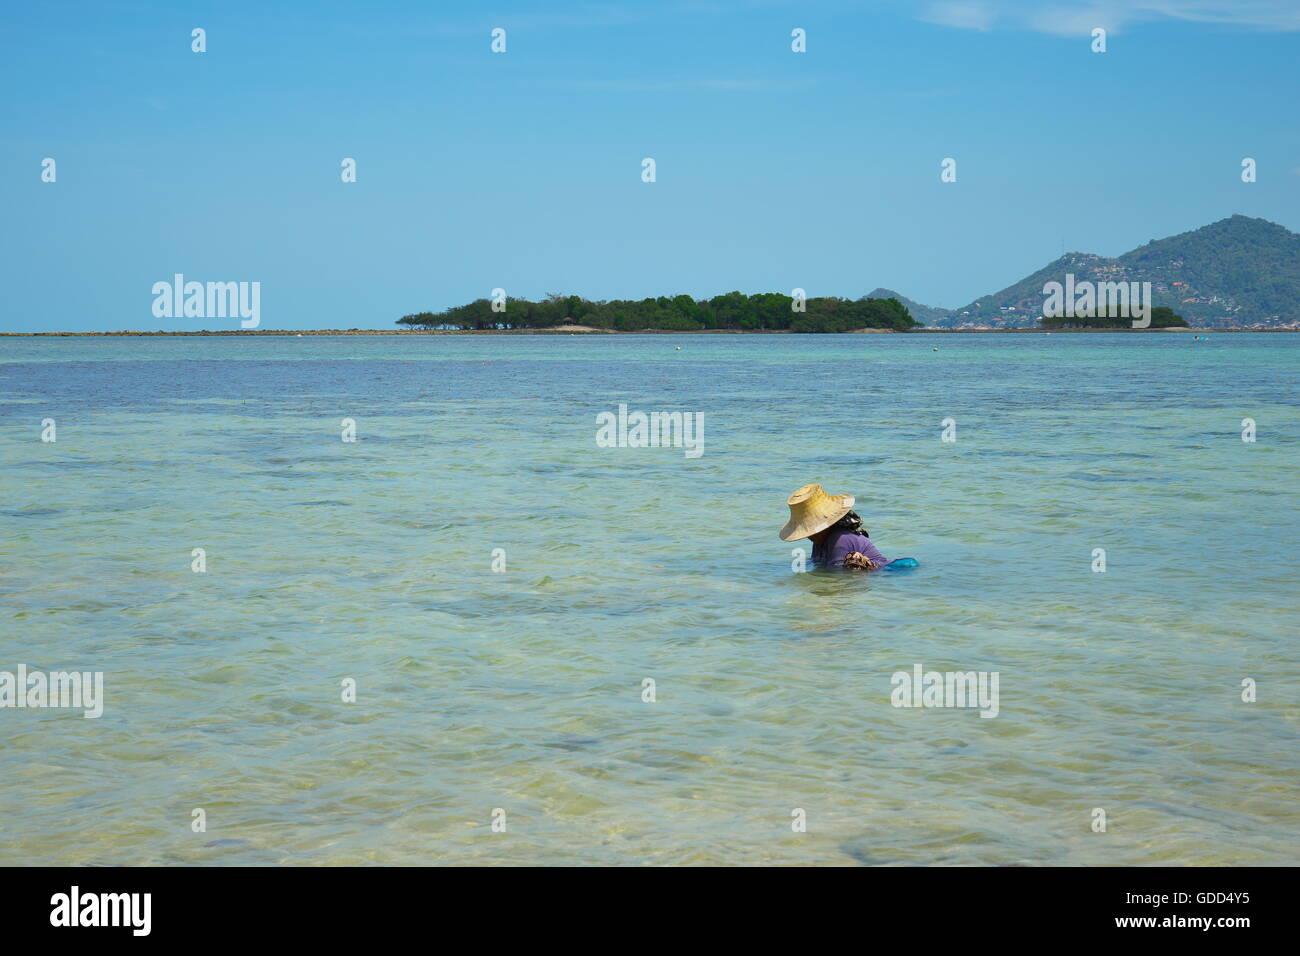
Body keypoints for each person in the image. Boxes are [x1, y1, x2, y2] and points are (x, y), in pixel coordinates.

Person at [778, 483, 899, 571]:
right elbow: (818, 564)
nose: (809, 535)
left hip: (884, 572)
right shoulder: (819, 540)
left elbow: (838, 579)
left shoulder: (840, 540)